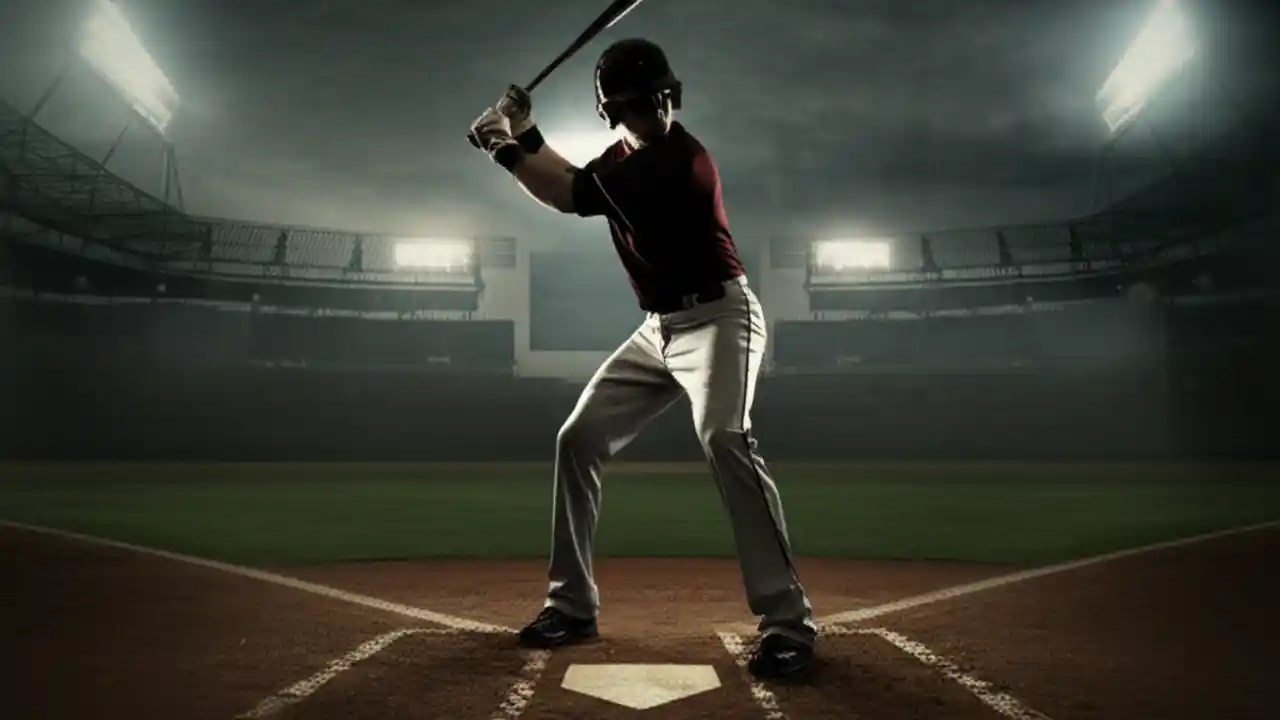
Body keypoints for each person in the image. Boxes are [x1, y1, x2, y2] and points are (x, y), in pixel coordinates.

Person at [468, 38, 817, 679]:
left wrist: (501, 144)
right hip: (660, 329)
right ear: (615, 111)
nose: (649, 109)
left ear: (669, 95)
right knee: (578, 439)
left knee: (725, 436)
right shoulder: (625, 154)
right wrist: (522, 131)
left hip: (721, 320)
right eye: (633, 103)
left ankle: (788, 624)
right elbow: (569, 173)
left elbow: (568, 194)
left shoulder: (678, 162)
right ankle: (571, 606)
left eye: (655, 98)